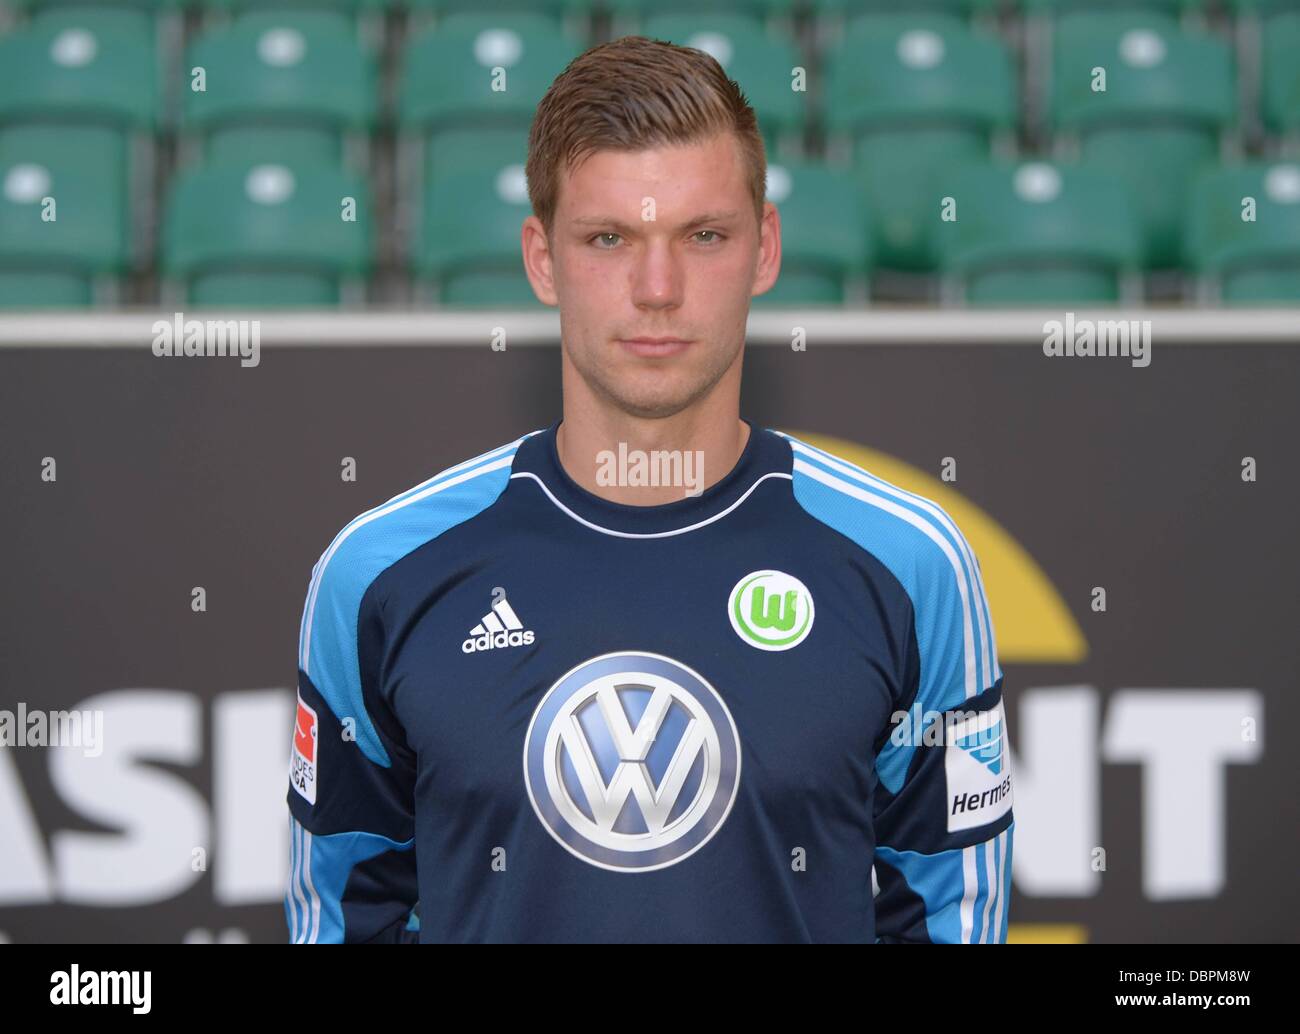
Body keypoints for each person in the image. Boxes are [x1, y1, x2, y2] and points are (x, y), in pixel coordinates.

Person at [284, 35, 1013, 943]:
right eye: (608, 239)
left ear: (765, 249)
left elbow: (951, 910)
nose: (657, 288)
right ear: (542, 259)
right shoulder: (378, 576)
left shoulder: (911, 564)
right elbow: (344, 914)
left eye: (703, 236)